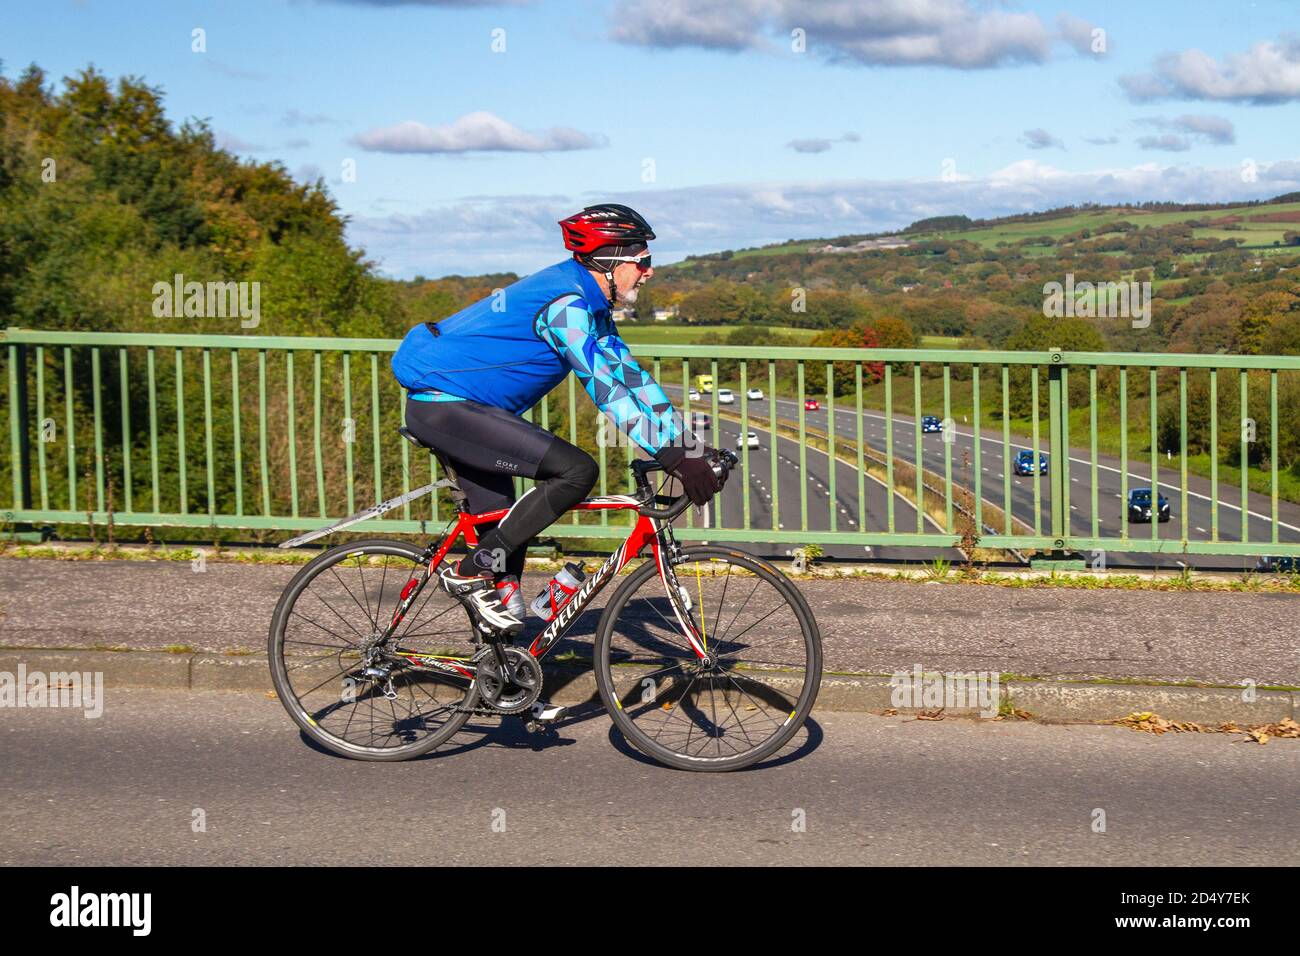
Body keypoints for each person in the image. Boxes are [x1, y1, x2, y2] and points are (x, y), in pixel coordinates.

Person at [391, 203, 724, 638]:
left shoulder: (592, 303)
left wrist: (688, 447)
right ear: (608, 261)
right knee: (576, 470)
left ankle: (506, 690)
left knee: (505, 571)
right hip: (444, 407)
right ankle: (468, 571)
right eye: (642, 261)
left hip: (471, 412)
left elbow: (632, 380)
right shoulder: (565, 305)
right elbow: (602, 385)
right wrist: (670, 454)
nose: (649, 272)